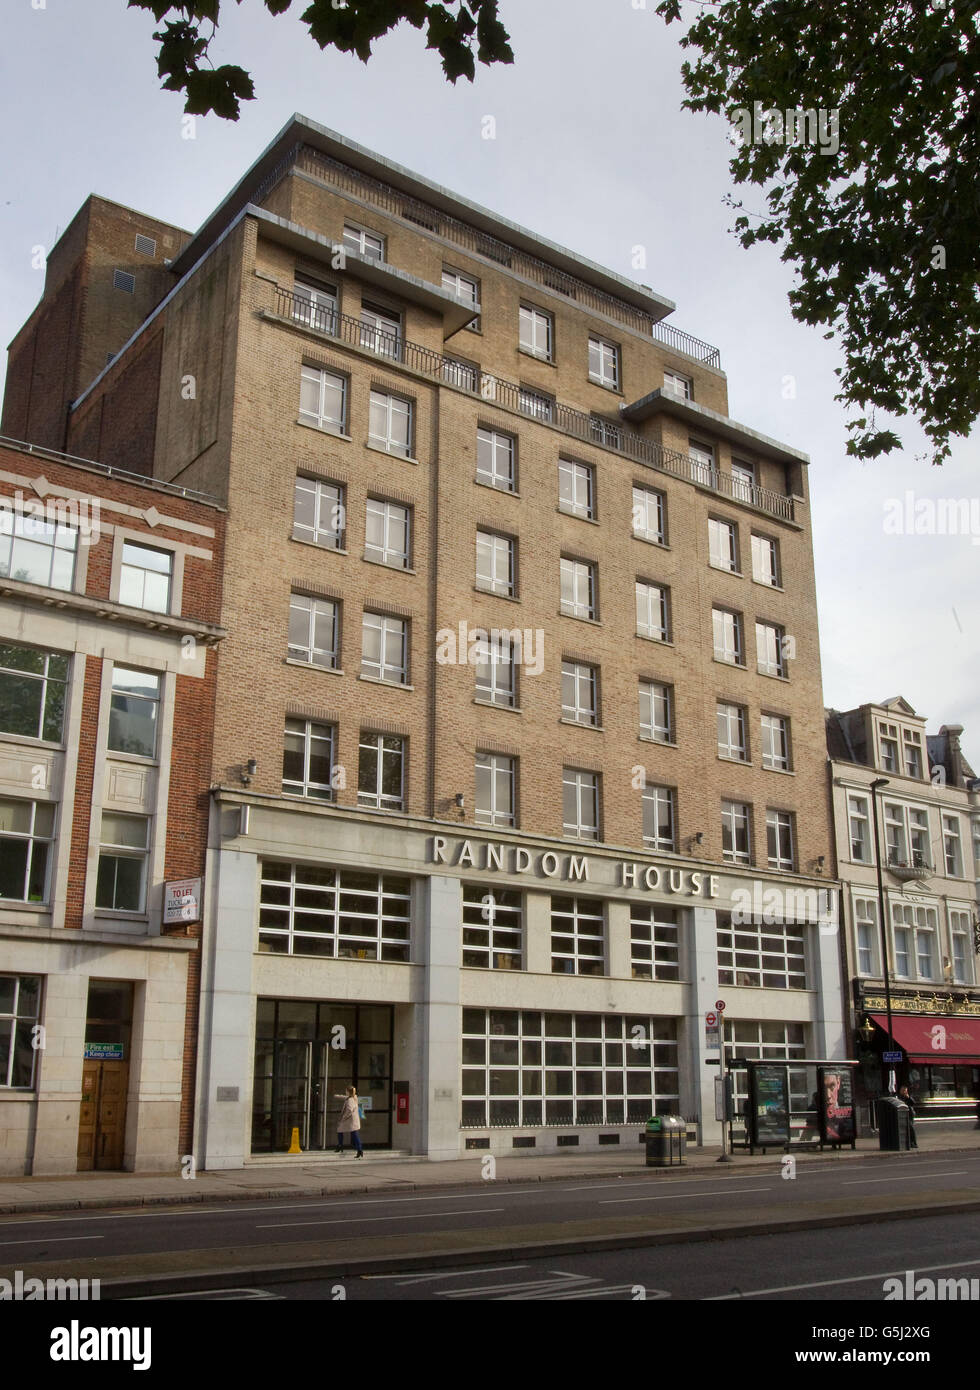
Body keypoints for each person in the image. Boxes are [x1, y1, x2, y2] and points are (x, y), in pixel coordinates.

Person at [334, 1085, 363, 1157]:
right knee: (352, 1133)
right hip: (352, 1120)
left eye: (346, 1091)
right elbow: (344, 1097)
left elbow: (349, 1110)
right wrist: (336, 1096)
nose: (345, 1092)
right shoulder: (352, 1097)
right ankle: (359, 1150)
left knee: (351, 1133)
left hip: (349, 1120)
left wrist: (343, 1117)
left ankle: (341, 1146)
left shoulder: (350, 1100)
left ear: (348, 1092)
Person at [897, 1084, 918, 1149]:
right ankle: (908, 1142)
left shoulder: (908, 1097)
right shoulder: (898, 1097)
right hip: (902, 1114)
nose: (904, 1092)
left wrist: (908, 1097)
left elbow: (913, 1103)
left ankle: (913, 1143)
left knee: (910, 1127)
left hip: (909, 1114)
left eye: (905, 1091)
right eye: (903, 1090)